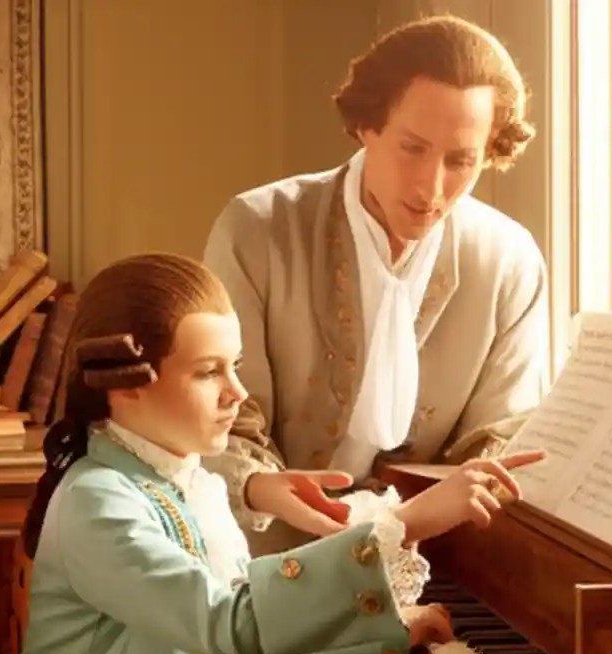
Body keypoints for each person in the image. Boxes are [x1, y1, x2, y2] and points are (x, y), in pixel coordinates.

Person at [0, 253, 543, 654]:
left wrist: (389, 645)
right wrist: (408, 522)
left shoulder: (189, 490)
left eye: (234, 366)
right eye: (208, 371)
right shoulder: (98, 502)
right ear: (125, 387)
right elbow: (232, 627)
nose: (237, 392)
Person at [202, 15, 549, 554]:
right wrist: (256, 485)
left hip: (433, 557)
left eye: (460, 161)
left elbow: (501, 439)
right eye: (413, 148)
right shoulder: (258, 229)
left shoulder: (509, 260)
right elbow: (221, 423)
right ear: (367, 125)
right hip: (267, 559)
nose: (431, 187)